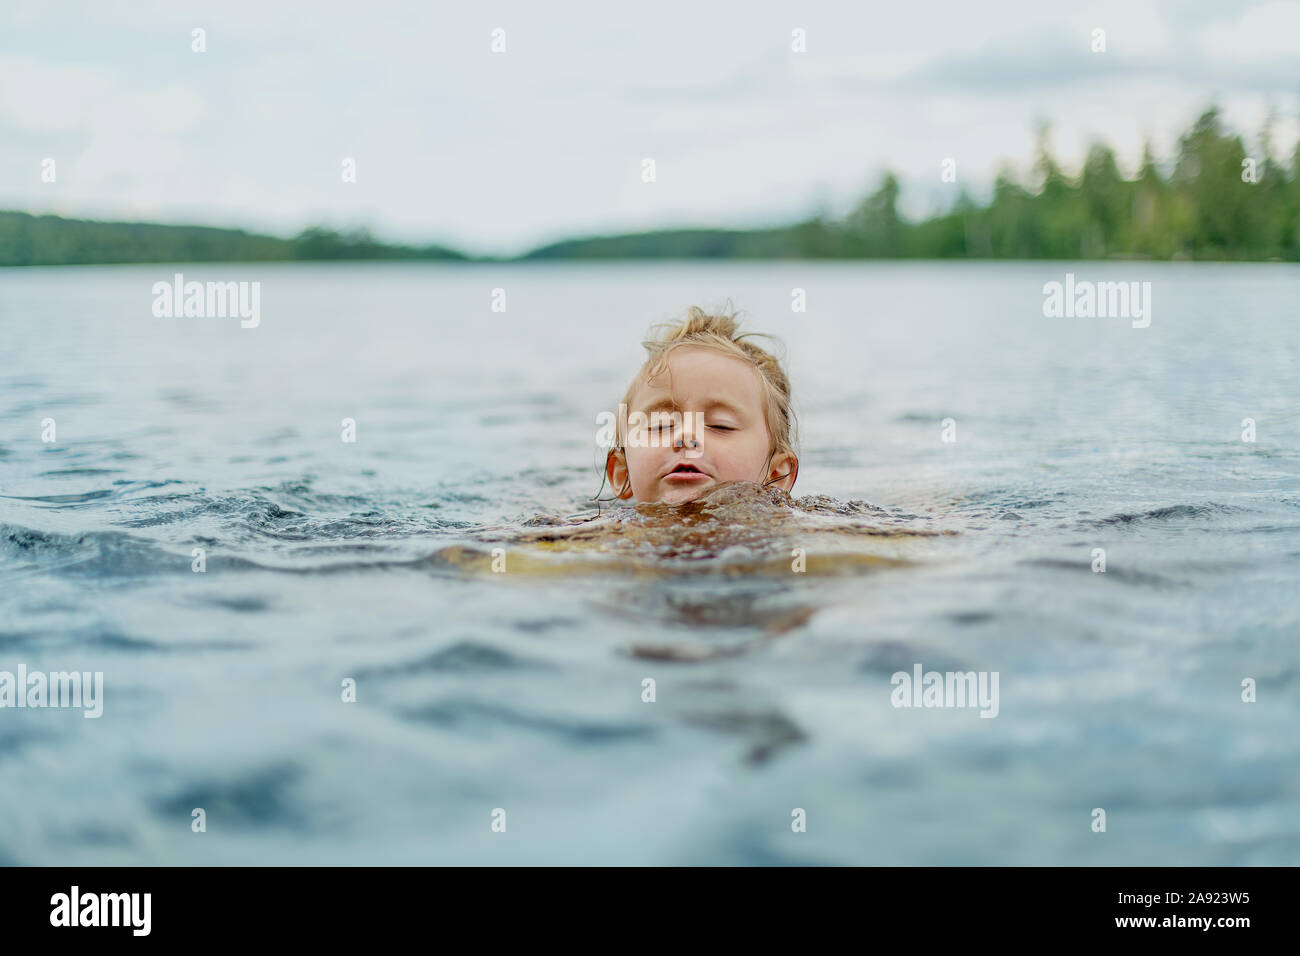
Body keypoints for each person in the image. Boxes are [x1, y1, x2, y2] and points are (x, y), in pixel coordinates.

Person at [600, 305, 799, 505]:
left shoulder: (805, 531)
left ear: (776, 475)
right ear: (622, 473)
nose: (686, 437)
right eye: (661, 425)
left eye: (721, 425)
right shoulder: (596, 533)